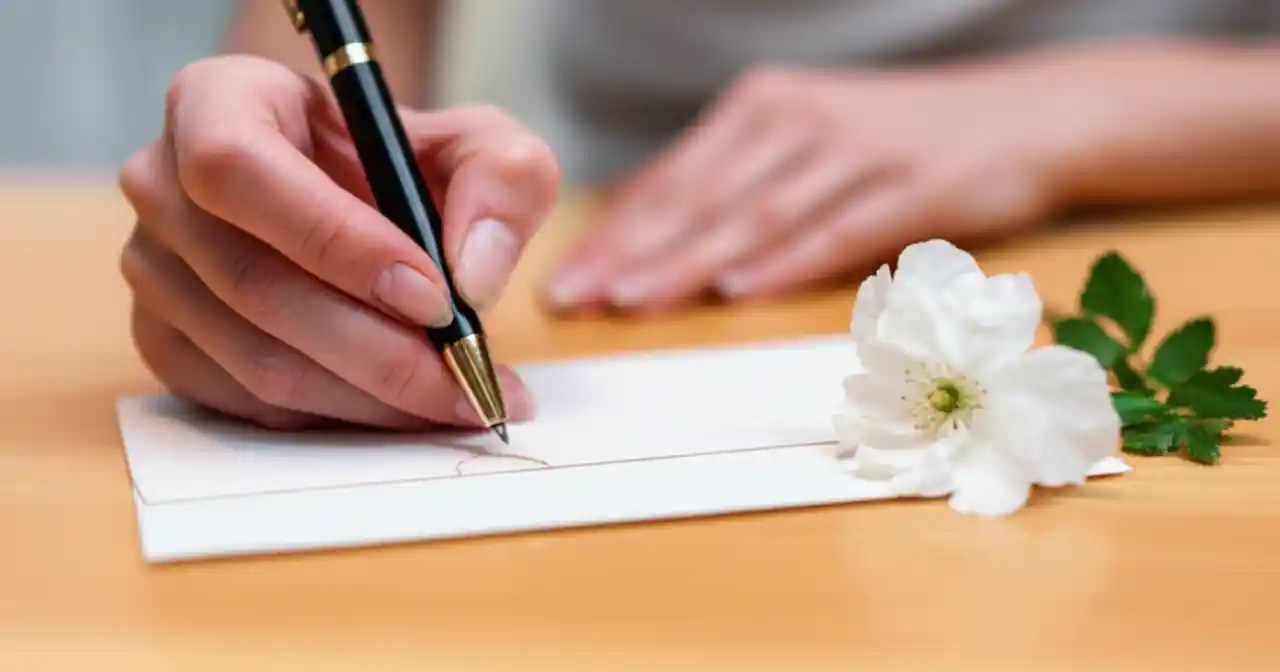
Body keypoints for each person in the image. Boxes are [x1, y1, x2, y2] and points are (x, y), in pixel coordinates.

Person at [119, 0, 1280, 431]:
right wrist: (271, 176)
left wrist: (1070, 113)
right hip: (638, 252)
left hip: (1205, 213)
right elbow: (340, 25)